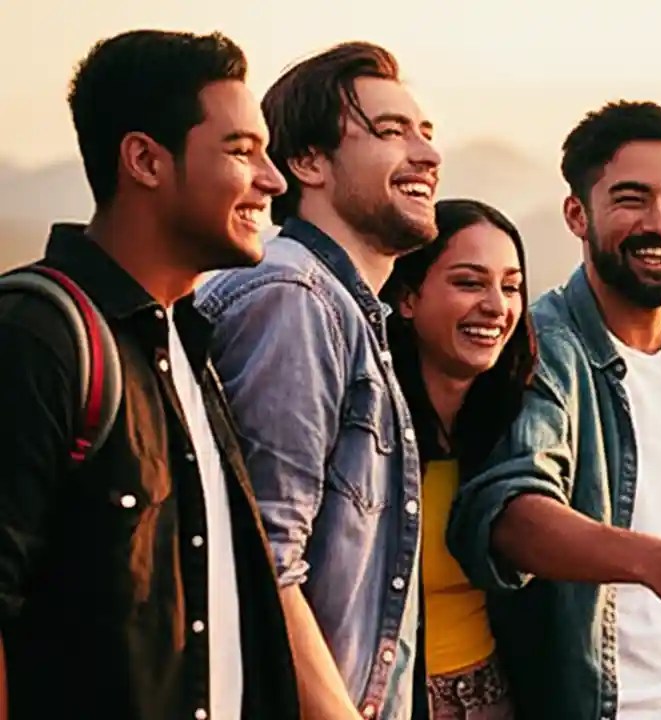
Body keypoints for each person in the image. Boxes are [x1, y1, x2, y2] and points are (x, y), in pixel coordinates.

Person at [447, 100, 661, 719]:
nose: (660, 223)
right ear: (577, 215)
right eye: (631, 200)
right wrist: (653, 561)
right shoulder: (543, 347)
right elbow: (510, 517)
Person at [0, 29, 299, 720]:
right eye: (240, 151)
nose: (272, 180)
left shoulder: (190, 344)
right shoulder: (39, 338)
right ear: (144, 160)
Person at [194, 41, 441, 720]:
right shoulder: (293, 298)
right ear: (308, 163)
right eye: (391, 131)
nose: (427, 154)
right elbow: (267, 566)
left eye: (425, 132)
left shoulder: (348, 311)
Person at [379, 198, 536, 720]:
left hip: (495, 700)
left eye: (511, 287)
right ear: (407, 297)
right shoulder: (367, 437)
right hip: (389, 701)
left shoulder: (519, 431)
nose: (496, 306)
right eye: (470, 283)